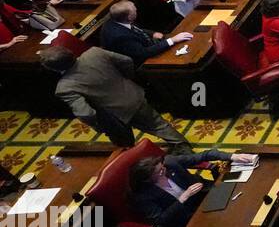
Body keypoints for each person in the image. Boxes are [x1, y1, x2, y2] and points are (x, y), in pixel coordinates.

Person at [40, 45, 191, 151]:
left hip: (114, 118)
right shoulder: (95, 53)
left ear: (53, 68)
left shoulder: (65, 87)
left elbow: (85, 113)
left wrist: (98, 125)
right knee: (159, 125)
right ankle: (183, 147)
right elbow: (126, 61)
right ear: (70, 52)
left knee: (125, 146)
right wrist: (127, 79)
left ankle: (141, 161)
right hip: (133, 96)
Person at [127, 146, 233, 227]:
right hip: (184, 217)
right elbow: (160, 220)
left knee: (234, 200)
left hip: (202, 196)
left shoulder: (169, 162)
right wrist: (182, 198)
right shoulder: (141, 196)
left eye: (162, 166)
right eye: (159, 171)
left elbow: (204, 155)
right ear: (146, 179)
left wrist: (231, 156)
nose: (164, 170)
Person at [100, 1, 192, 64]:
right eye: (135, 11)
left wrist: (152, 33)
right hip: (141, 60)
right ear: (129, 17)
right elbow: (144, 53)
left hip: (146, 44)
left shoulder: (116, 19)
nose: (137, 11)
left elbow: (132, 28)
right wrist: (172, 40)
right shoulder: (120, 37)